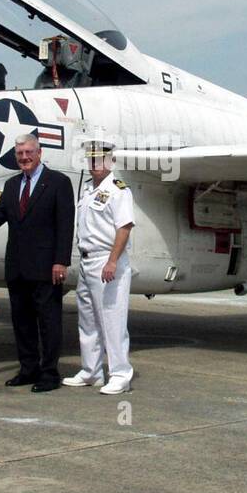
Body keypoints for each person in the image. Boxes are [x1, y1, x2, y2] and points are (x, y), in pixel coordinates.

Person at [0, 134, 74, 392]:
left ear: (39, 153)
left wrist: (61, 261)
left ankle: (50, 373)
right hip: (17, 266)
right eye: (20, 154)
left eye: (29, 152)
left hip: (46, 267)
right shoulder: (11, 185)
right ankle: (28, 369)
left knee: (49, 322)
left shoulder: (58, 182)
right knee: (22, 322)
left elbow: (65, 225)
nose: (24, 158)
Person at [65, 142, 135, 394]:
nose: (95, 164)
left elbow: (124, 227)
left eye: (100, 159)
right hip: (86, 259)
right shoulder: (87, 189)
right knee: (88, 319)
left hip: (107, 260)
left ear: (111, 161)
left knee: (112, 319)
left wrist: (113, 261)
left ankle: (120, 374)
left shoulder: (119, 190)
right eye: (91, 159)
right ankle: (90, 371)